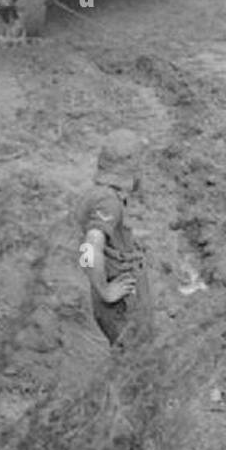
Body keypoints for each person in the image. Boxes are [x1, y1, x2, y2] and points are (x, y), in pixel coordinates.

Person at [80, 129, 158, 347]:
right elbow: (89, 248)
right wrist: (105, 291)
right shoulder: (108, 203)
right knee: (138, 364)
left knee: (132, 360)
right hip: (122, 301)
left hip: (119, 294)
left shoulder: (96, 194)